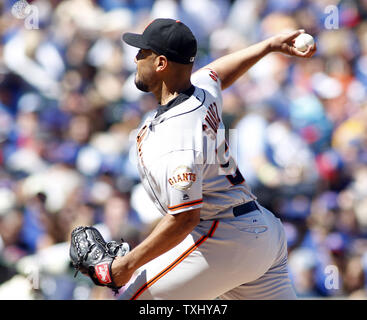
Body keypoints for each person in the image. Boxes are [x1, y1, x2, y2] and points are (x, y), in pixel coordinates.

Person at [111, 18, 316, 300]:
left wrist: (127, 264)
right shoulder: (201, 91)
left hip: (223, 238)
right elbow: (217, 73)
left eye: (142, 53)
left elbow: (184, 217)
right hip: (261, 233)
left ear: (160, 63)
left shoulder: (177, 135)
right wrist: (268, 46)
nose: (135, 58)